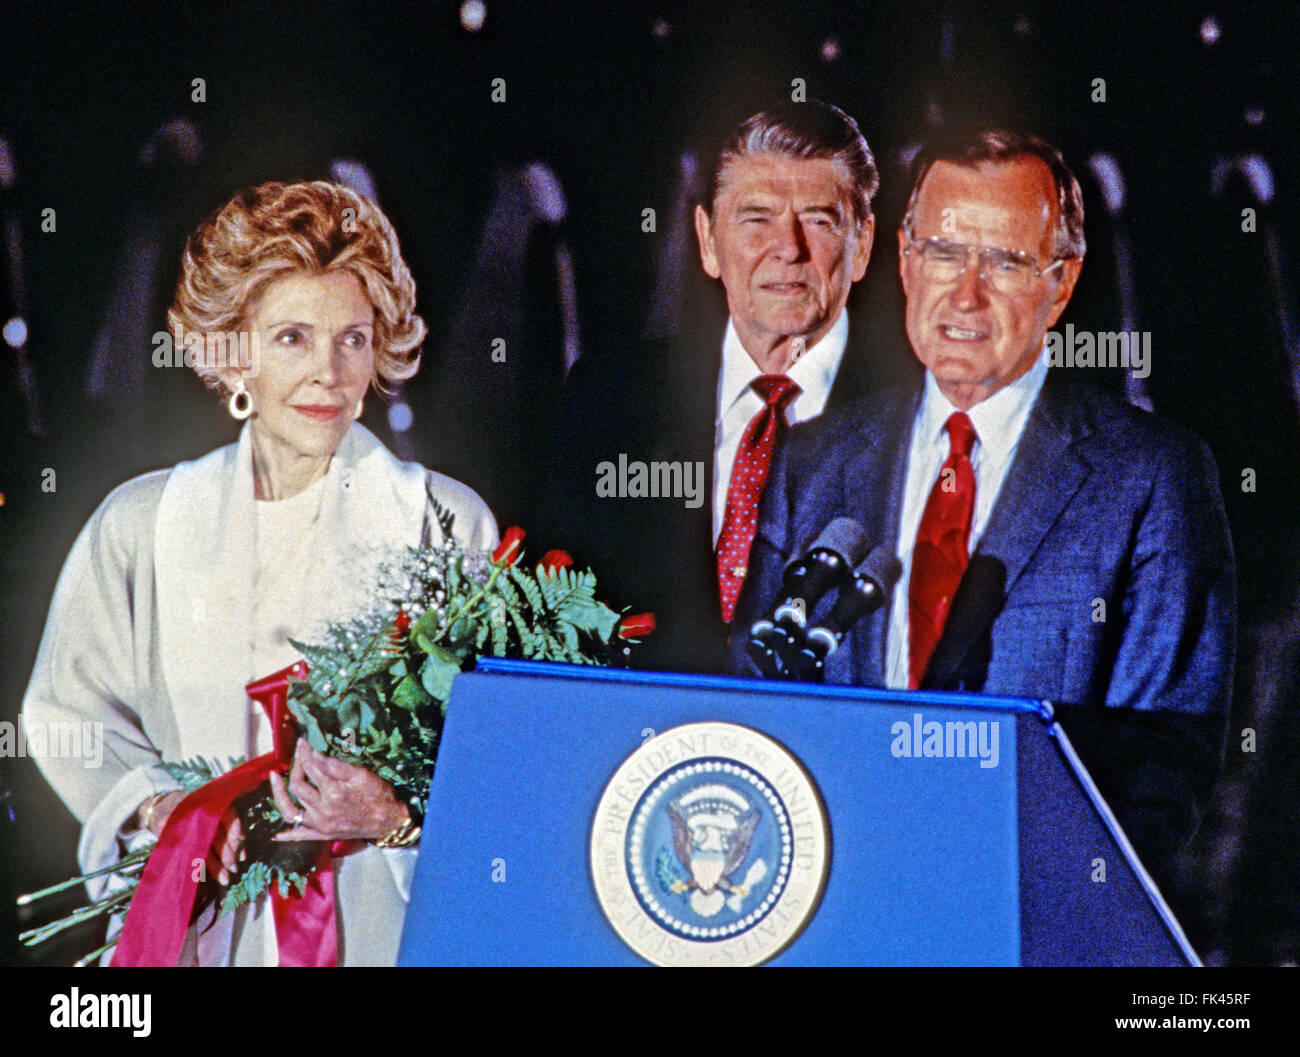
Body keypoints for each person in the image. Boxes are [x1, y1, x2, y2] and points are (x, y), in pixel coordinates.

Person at [729, 130, 1235, 884]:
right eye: (942, 252)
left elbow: (1161, 769)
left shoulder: (1153, 476)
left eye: (1004, 261)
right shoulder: (813, 461)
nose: (965, 294)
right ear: (903, 261)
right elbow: (751, 705)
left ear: (1061, 284)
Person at [20, 181, 497, 965]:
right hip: (195, 921)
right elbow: (67, 710)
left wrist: (397, 813)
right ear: (231, 349)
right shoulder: (141, 521)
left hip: (382, 931)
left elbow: (500, 760)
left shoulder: (444, 523)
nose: (329, 373)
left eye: (353, 338)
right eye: (292, 339)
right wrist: (163, 807)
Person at [539, 100, 889, 673]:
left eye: (820, 220)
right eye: (757, 218)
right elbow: (554, 629)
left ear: (864, 245)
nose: (789, 248)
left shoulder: (920, 412)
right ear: (707, 239)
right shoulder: (611, 395)